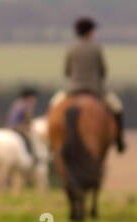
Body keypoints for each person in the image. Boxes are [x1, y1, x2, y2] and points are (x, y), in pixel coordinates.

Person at [48, 17, 126, 152]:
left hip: (72, 90)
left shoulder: (71, 48)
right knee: (117, 107)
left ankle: (50, 141)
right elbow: (103, 71)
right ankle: (119, 141)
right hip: (95, 90)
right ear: (90, 32)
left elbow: (67, 71)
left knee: (53, 105)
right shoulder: (96, 48)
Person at [6, 88, 41, 159]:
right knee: (32, 138)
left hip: (10, 126)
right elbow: (27, 119)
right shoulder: (27, 105)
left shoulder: (17, 103)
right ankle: (33, 155)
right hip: (18, 127)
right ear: (29, 97)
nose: (35, 99)